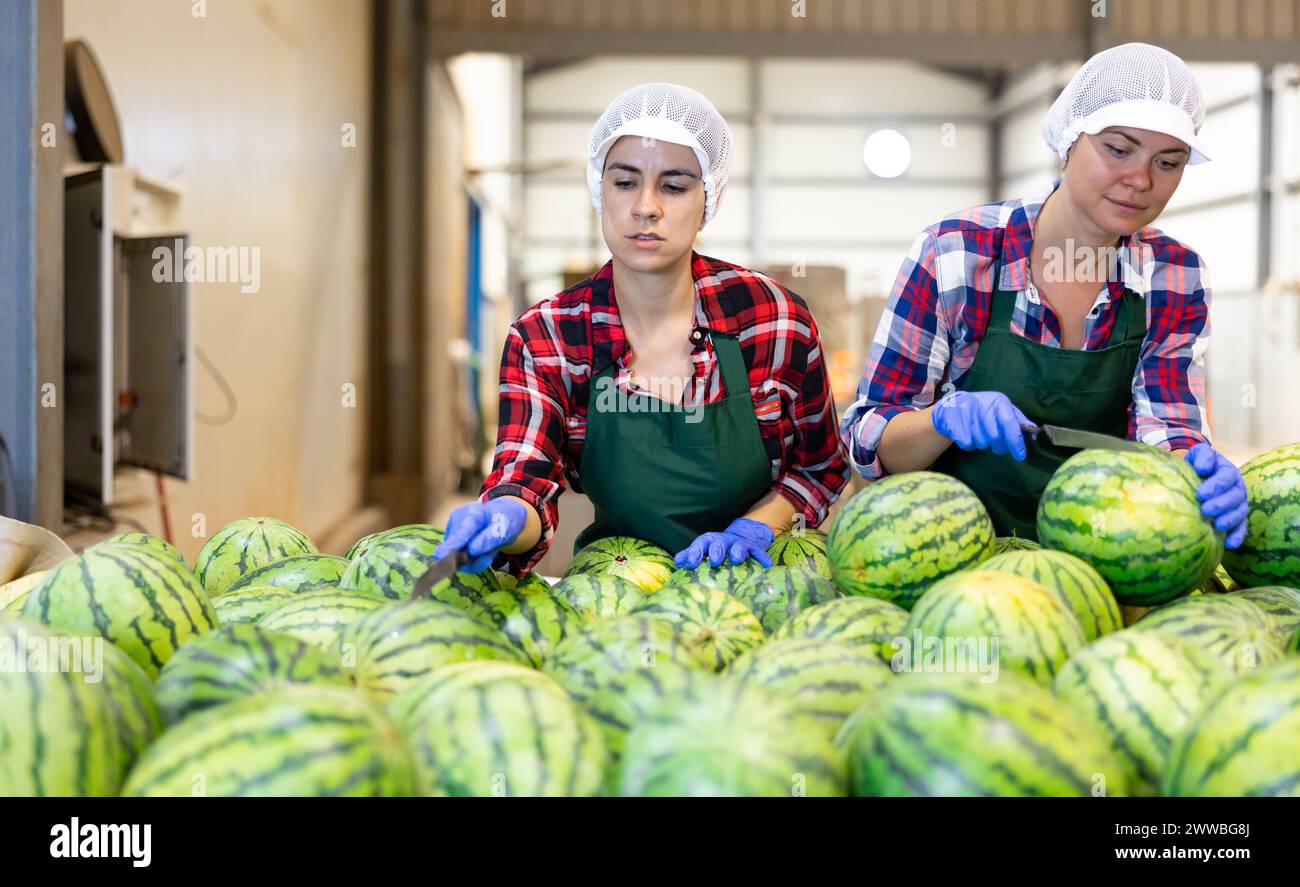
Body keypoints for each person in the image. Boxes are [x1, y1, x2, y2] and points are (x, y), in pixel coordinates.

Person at [840, 43, 1247, 547]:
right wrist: (940, 420)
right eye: (1118, 149)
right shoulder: (955, 253)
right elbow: (869, 441)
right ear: (1069, 140)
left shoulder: (1175, 274)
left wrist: (1198, 469)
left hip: (1103, 556)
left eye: (1168, 162)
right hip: (949, 556)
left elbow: (1164, 428)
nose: (1140, 181)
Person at [435, 82, 849, 574]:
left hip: (761, 586)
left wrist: (760, 525)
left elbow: (821, 466)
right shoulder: (547, 336)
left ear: (708, 199)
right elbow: (527, 479)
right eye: (625, 182)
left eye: (674, 186)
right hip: (619, 591)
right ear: (599, 189)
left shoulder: (773, 318)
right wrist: (505, 515)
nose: (646, 207)